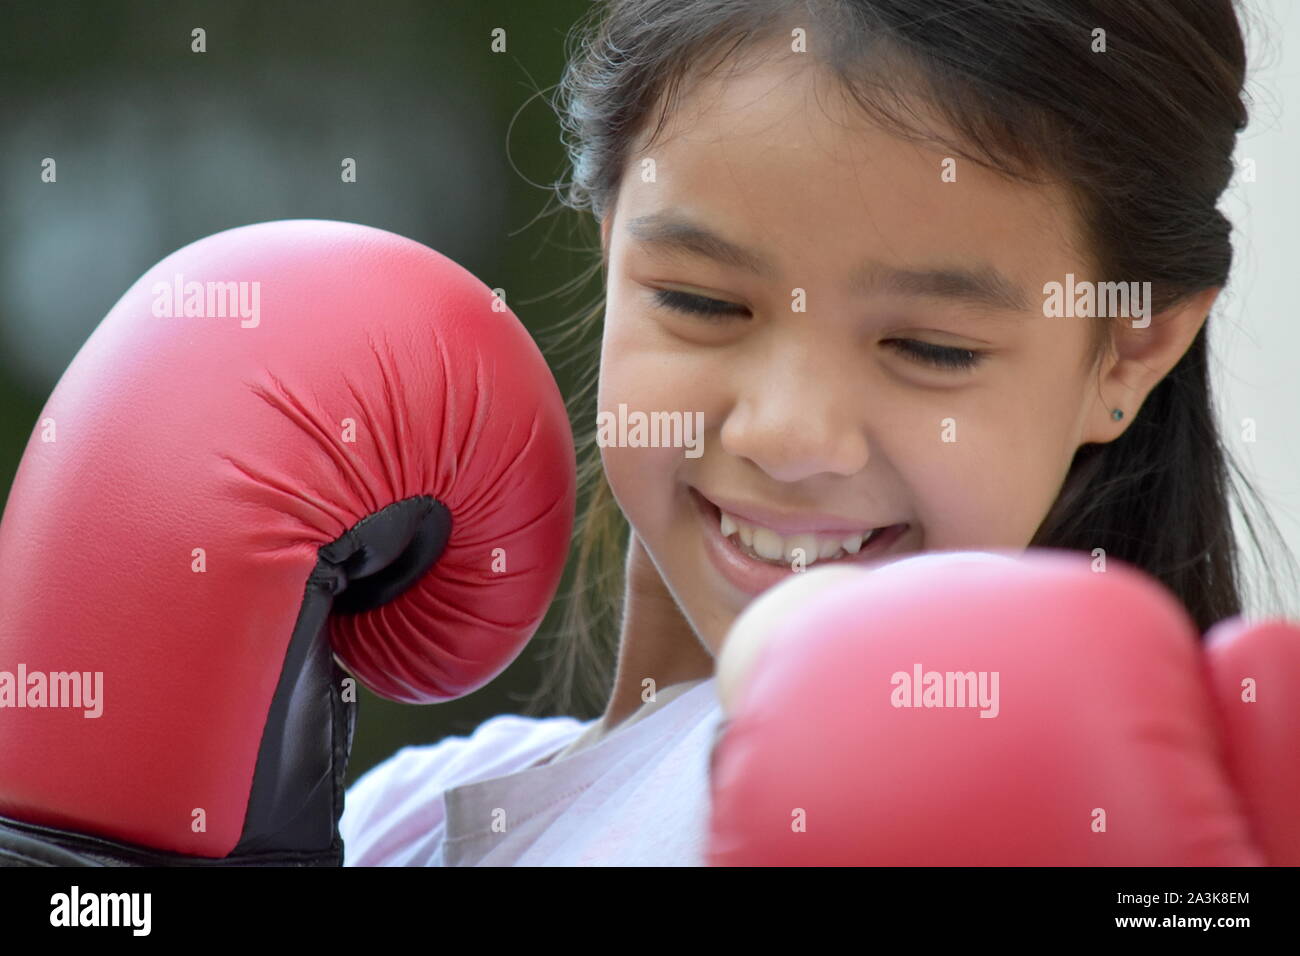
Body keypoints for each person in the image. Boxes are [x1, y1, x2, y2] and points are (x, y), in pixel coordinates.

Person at [339, 0, 1296, 866]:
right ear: (611, 237)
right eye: (698, 301)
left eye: (931, 347)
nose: (788, 435)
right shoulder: (402, 817)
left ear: (1129, 350)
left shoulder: (1101, 840)